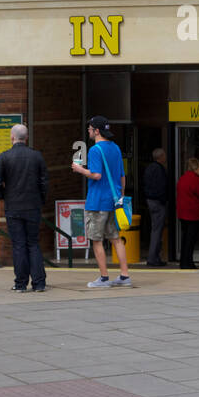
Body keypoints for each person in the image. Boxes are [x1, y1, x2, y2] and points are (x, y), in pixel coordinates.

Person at [71, 115, 131, 288]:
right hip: (114, 201)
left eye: (90, 129)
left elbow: (96, 175)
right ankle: (124, 275)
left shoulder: (95, 150)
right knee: (115, 238)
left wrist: (80, 169)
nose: (89, 132)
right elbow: (122, 176)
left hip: (97, 202)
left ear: (97, 131)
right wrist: (120, 197)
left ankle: (104, 278)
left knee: (96, 240)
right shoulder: (115, 148)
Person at [0, 123, 49, 291]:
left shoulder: (4, 157)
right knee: (33, 243)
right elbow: (44, 182)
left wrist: (3, 196)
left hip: (13, 206)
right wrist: (41, 199)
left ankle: (21, 283)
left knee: (18, 245)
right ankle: (39, 283)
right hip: (33, 206)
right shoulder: (37, 156)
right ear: (27, 137)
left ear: (12, 137)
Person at [176, 156, 199, 269]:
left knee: (185, 239)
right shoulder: (196, 180)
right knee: (191, 240)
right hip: (193, 214)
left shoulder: (182, 178)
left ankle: (184, 262)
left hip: (183, 213)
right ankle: (188, 262)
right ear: (195, 168)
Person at [143, 147, 168, 267]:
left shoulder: (149, 168)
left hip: (150, 201)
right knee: (157, 231)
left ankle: (155, 257)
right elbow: (162, 187)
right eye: (164, 155)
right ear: (161, 157)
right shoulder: (159, 169)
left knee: (155, 229)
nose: (165, 157)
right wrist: (164, 200)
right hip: (157, 202)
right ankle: (153, 258)